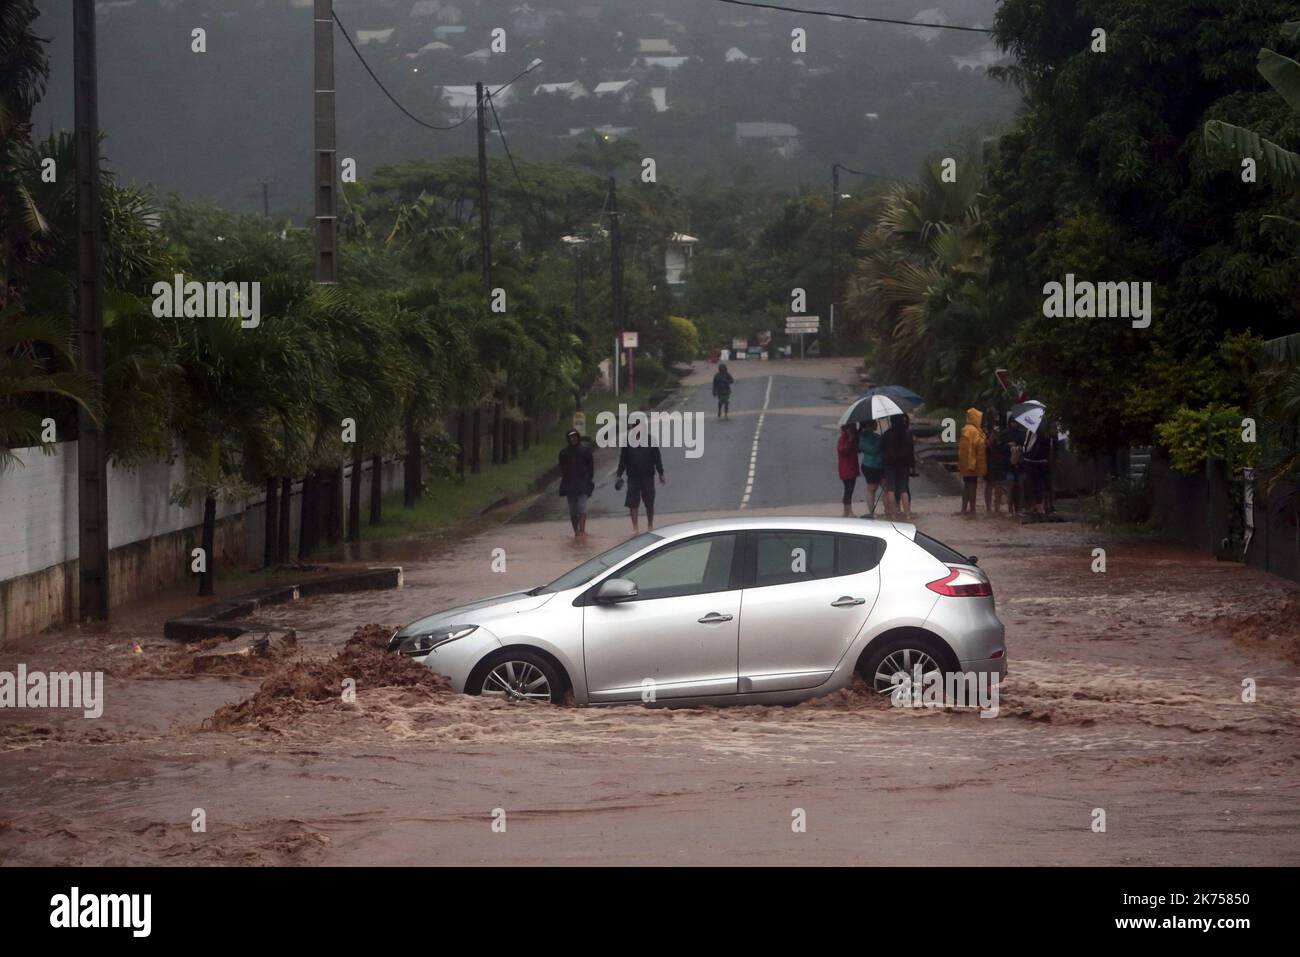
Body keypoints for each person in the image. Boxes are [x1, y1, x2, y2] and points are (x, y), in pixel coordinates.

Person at [615, 416, 666, 533]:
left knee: (649, 502)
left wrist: (661, 473)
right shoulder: (627, 441)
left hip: (648, 476)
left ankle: (650, 524)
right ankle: (635, 527)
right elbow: (622, 459)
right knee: (633, 503)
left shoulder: (650, 440)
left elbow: (657, 457)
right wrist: (619, 474)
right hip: (633, 477)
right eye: (635, 426)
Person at [557, 428, 594, 538]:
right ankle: (576, 531)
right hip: (569, 485)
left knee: (582, 508)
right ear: (568, 439)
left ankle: (582, 531)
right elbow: (562, 469)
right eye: (571, 437)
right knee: (573, 511)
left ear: (578, 438)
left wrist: (588, 480)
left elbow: (590, 467)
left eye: (575, 437)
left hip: (582, 484)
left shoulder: (585, 451)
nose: (573, 439)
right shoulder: (564, 453)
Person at [881, 413, 916, 520]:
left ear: (891, 422)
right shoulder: (908, 434)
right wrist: (912, 465)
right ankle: (908, 514)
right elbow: (911, 452)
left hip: (890, 464)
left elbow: (882, 450)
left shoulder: (886, 435)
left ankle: (893, 514)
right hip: (903, 464)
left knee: (891, 489)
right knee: (903, 489)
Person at [958, 407, 987, 517]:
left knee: (966, 485)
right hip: (971, 464)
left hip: (966, 464)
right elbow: (971, 449)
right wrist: (972, 465)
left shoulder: (967, 429)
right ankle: (972, 509)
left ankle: (964, 509)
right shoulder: (973, 431)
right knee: (972, 486)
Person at [1022, 421, 1053, 517]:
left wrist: (1024, 453)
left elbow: (1027, 447)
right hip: (1043, 460)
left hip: (1031, 460)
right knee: (1042, 484)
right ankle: (1043, 506)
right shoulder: (1050, 430)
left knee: (1032, 484)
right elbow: (1051, 446)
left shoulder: (1032, 429)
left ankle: (1036, 507)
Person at [857, 419, 887, 517]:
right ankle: (872, 511)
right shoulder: (862, 437)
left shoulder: (876, 436)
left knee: (886, 487)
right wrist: (880, 442)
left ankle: (887, 509)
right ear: (868, 425)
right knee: (872, 488)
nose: (876, 424)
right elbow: (871, 449)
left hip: (881, 465)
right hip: (870, 466)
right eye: (874, 422)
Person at [985, 413, 1010, 515]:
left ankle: (997, 507)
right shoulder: (986, 430)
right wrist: (993, 434)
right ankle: (988, 508)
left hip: (1000, 461)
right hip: (990, 461)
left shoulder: (1004, 431)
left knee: (999, 485)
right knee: (989, 485)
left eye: (998, 417)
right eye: (995, 417)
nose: (996, 419)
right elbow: (987, 444)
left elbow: (1005, 444)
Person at [837, 423, 859, 517]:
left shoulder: (853, 438)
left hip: (852, 467)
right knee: (848, 490)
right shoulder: (843, 438)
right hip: (846, 468)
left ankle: (846, 511)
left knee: (849, 489)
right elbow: (842, 450)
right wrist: (850, 441)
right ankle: (848, 511)